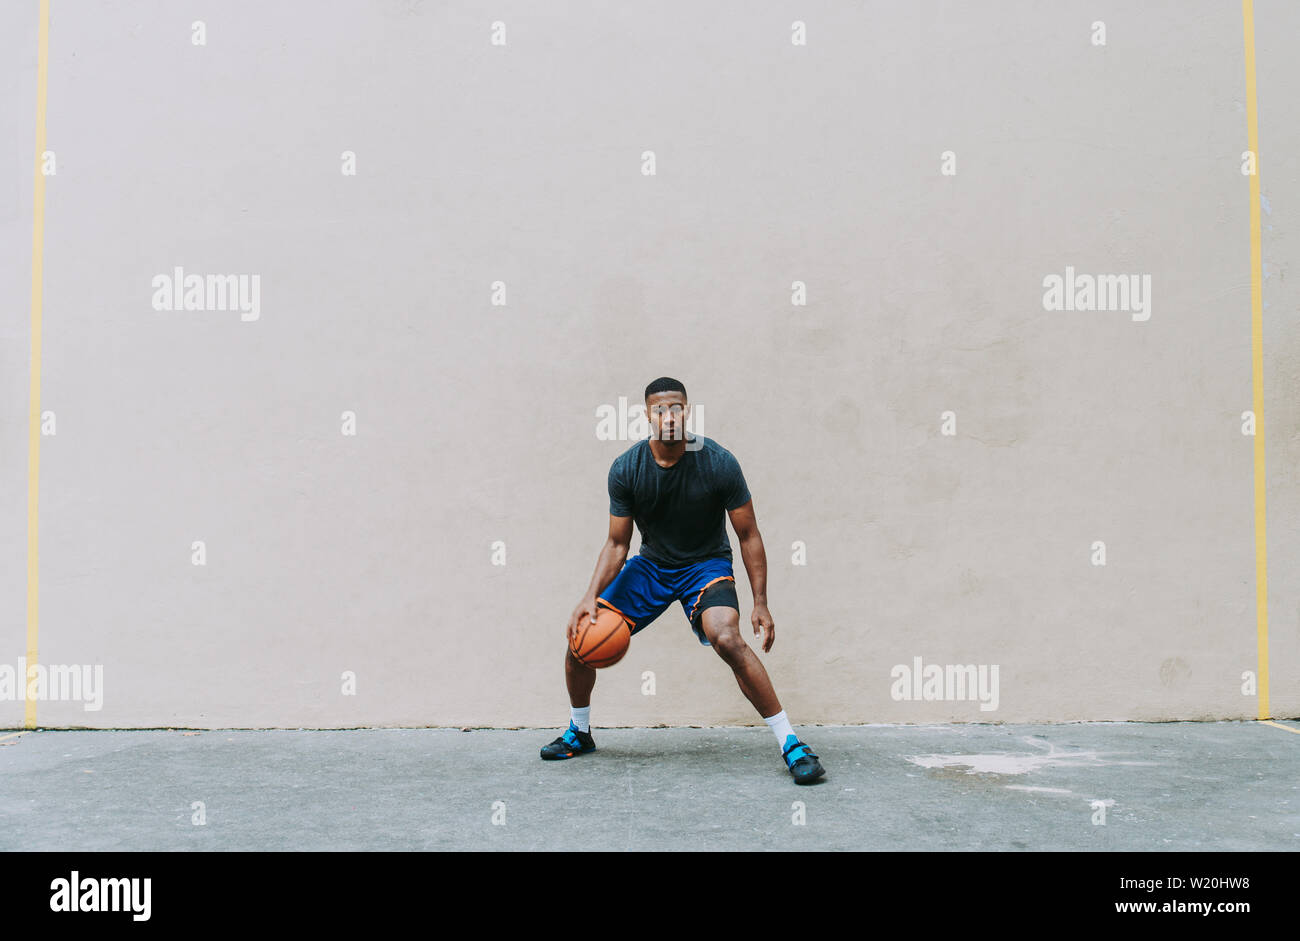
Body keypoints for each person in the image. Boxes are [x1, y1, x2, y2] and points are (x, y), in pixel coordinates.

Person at [540, 376, 826, 784]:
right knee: (580, 641)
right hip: (652, 566)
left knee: (727, 637)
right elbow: (617, 544)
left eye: (676, 407)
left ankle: (791, 743)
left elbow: (748, 534)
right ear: (647, 415)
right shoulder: (627, 468)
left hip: (706, 566)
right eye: (660, 409)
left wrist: (760, 601)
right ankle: (579, 731)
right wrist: (590, 596)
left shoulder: (717, 461)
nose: (668, 415)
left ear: (686, 411)